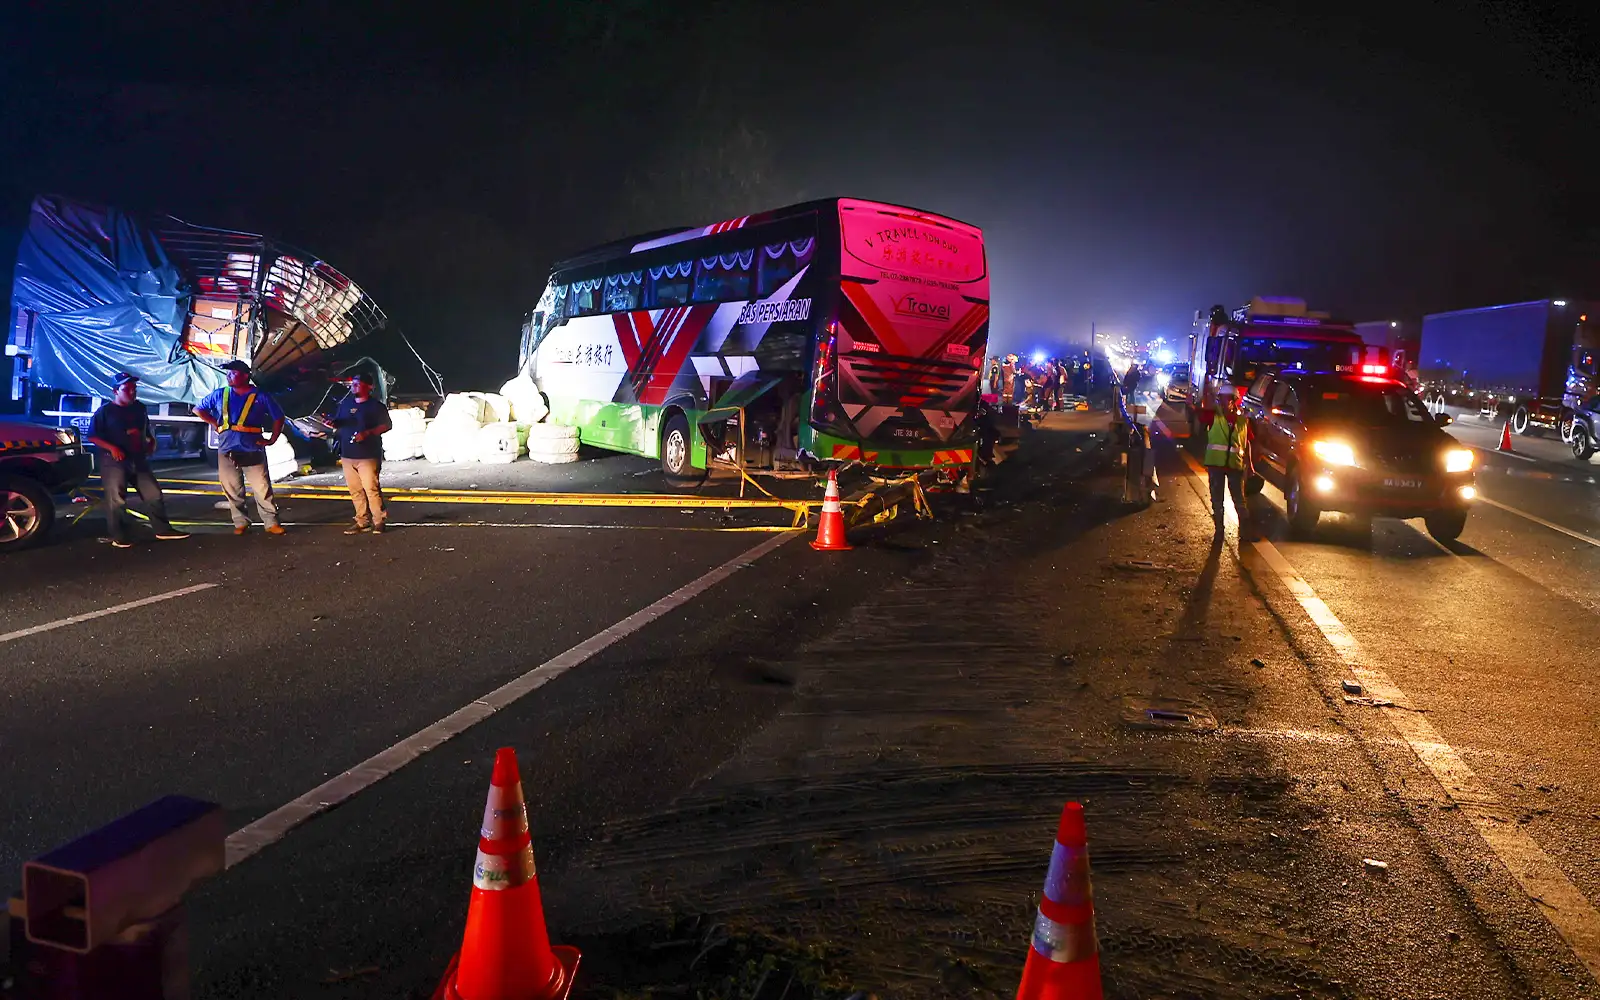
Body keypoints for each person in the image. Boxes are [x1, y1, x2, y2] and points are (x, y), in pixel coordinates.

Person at [87, 373, 189, 548]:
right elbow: (92, 436)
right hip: (114, 462)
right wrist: (113, 448)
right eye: (127, 389)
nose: (132, 392)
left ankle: (162, 529)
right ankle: (119, 535)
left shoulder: (139, 408)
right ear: (115, 391)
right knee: (117, 499)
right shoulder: (105, 411)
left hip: (138, 459)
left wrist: (151, 441)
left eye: (134, 389)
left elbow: (145, 429)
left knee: (153, 493)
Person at [195, 360, 287, 536]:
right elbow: (198, 409)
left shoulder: (261, 395)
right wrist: (214, 423)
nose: (228, 376)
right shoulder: (220, 394)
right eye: (227, 373)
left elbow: (278, 417)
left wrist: (272, 439)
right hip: (226, 449)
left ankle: (271, 523)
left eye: (233, 373)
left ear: (246, 376)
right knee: (232, 488)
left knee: (262, 488)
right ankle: (240, 522)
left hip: (252, 449)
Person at [327, 372, 392, 534]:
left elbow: (386, 425)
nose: (353, 386)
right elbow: (340, 422)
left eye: (358, 383)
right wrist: (332, 423)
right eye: (353, 383)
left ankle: (379, 520)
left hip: (368, 455)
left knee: (371, 488)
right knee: (355, 490)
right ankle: (362, 521)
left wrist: (368, 433)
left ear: (369, 387)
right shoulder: (345, 404)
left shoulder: (375, 406)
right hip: (348, 454)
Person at [1198, 384, 1252, 536]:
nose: (1223, 402)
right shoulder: (1214, 416)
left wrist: (1250, 465)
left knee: (1239, 501)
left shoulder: (1243, 420)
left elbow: (1247, 442)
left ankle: (1245, 532)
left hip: (1235, 466)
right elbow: (1200, 414)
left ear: (1234, 400)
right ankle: (1219, 530)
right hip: (1216, 465)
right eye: (1221, 398)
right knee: (1217, 500)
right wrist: (1194, 404)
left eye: (1226, 398)